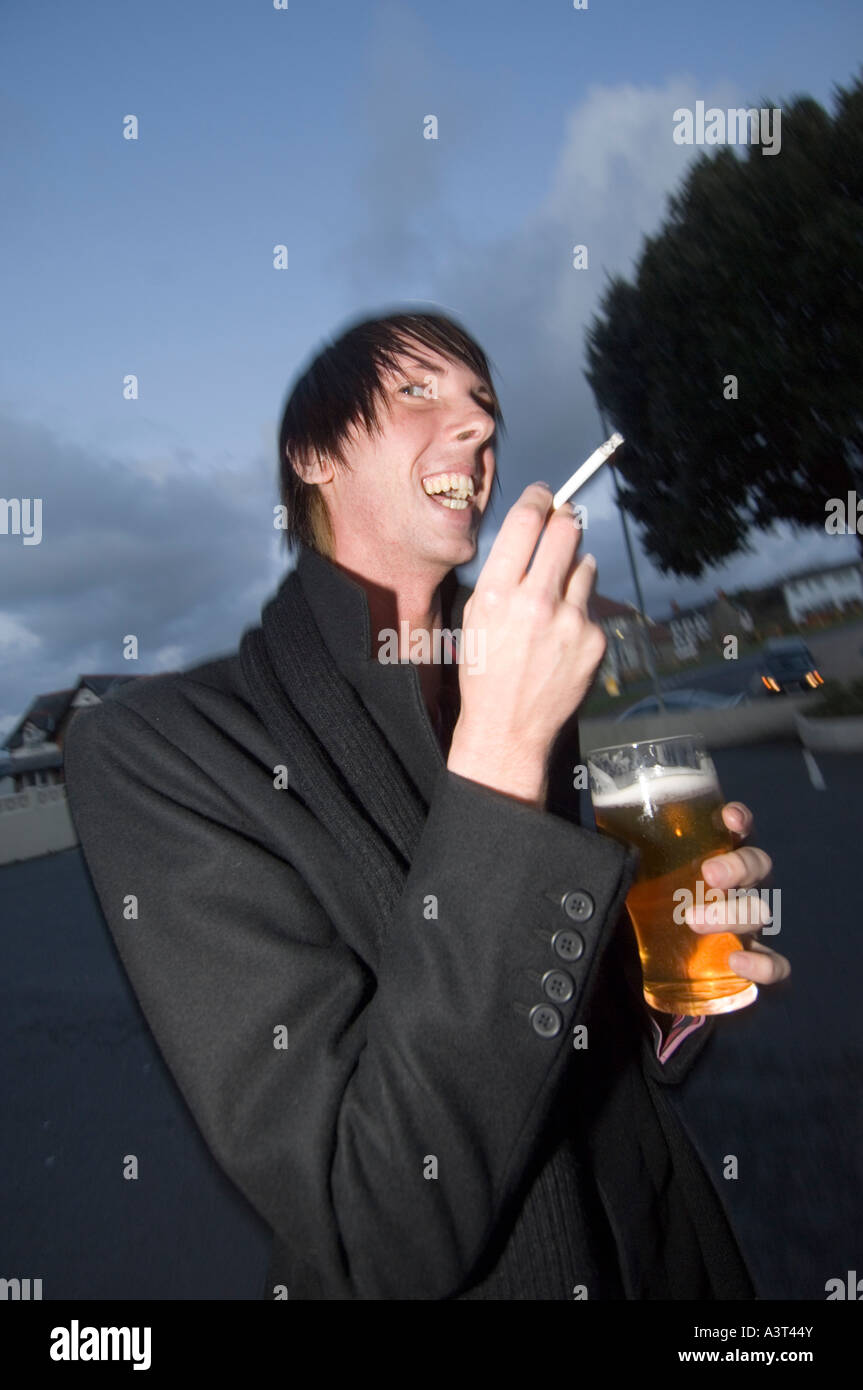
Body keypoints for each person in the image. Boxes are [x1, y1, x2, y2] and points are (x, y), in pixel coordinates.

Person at [64, 309, 790, 1301]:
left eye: (485, 405)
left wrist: (666, 986)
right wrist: (500, 753)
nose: (477, 427)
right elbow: (375, 1228)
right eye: (418, 393)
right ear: (313, 453)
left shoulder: (508, 685)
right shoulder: (161, 748)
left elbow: (551, 1029)